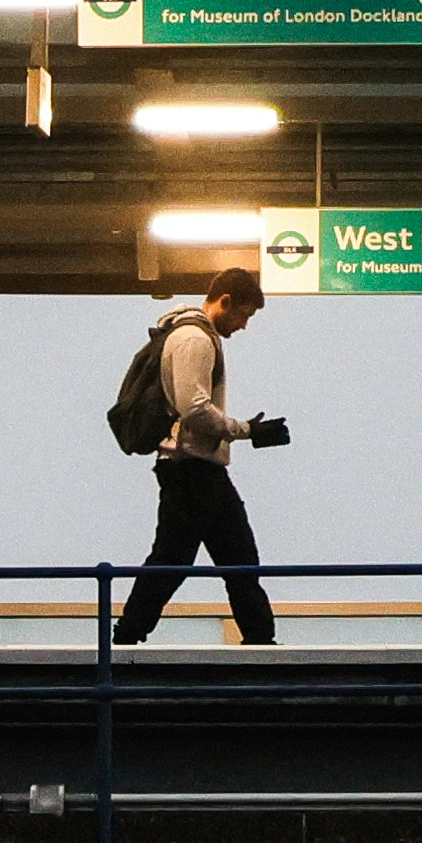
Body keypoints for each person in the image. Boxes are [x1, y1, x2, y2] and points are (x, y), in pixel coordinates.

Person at [117, 266, 292, 648]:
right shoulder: (195, 340)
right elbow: (194, 408)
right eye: (243, 315)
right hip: (190, 468)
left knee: (224, 558)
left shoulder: (187, 335)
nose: (244, 325)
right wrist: (246, 429)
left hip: (197, 469)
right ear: (225, 301)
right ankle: (127, 636)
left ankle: (260, 640)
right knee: (186, 558)